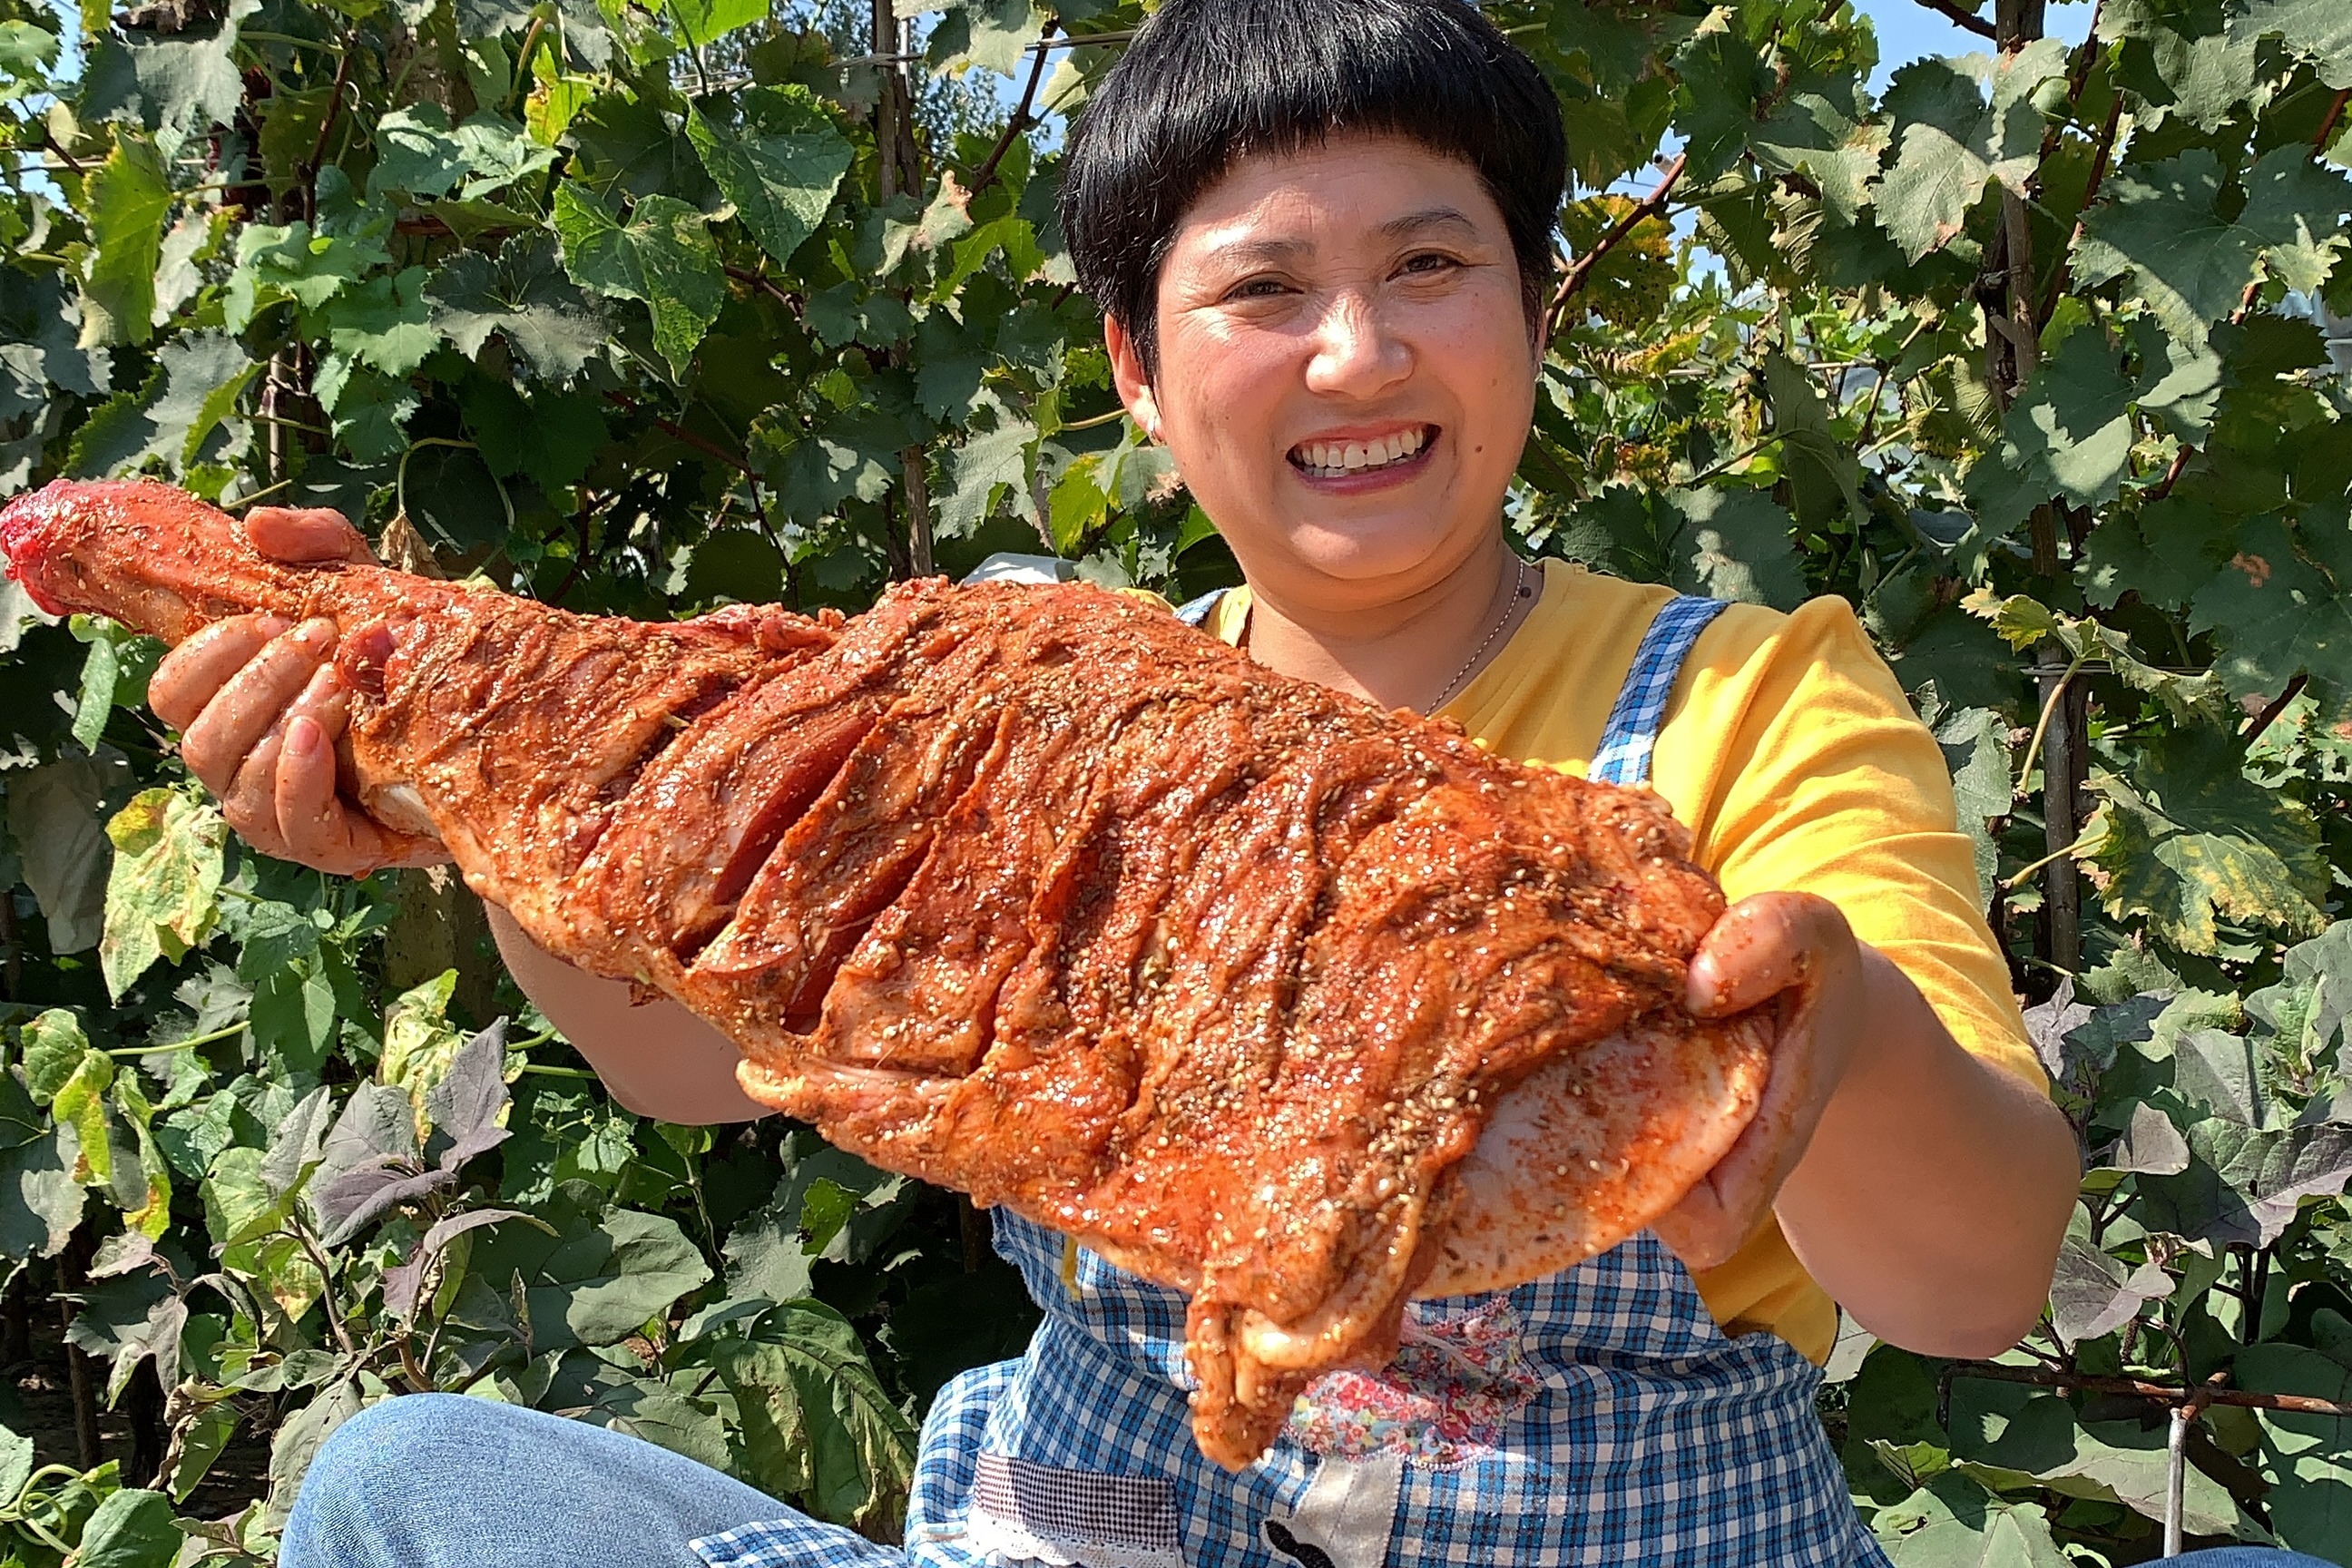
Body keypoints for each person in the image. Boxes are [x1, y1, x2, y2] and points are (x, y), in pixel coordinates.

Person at [145, 2, 2304, 1564]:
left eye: (1430, 267)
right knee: (405, 1479)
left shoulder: (1748, 703)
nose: (1355, 354)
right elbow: (697, 1053)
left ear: (1534, 314)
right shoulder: (1034, 684)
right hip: (1086, 1533)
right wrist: (481, 789)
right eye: (1263, 291)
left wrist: (1820, 1033)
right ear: (1137, 366)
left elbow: (1972, 1277)